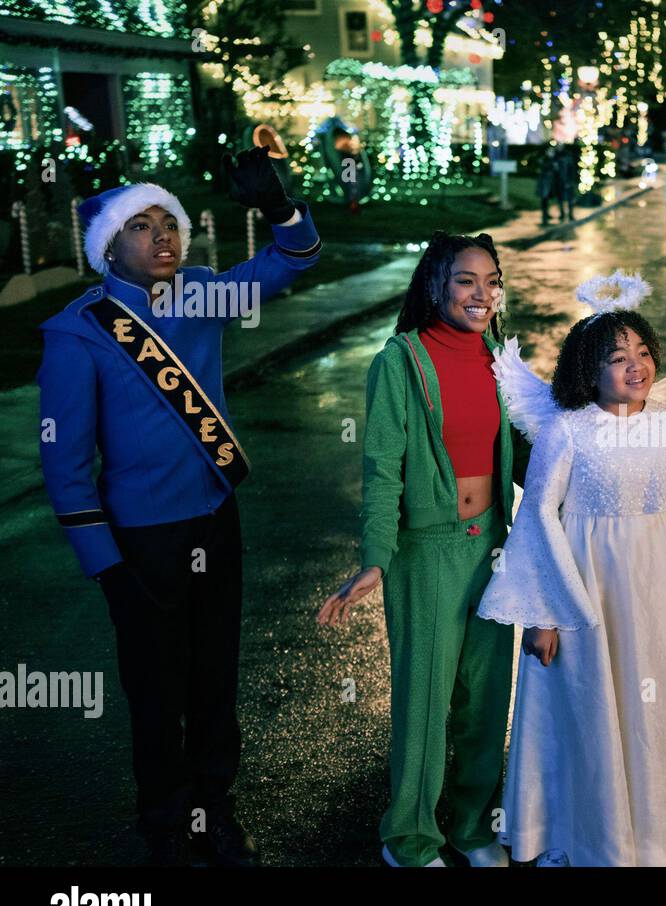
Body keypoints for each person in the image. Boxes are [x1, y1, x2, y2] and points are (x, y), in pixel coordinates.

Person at [36, 146, 321, 865]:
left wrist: (279, 206)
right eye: (142, 226)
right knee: (158, 691)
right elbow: (66, 468)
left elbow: (294, 260)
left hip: (215, 525)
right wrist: (107, 568)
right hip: (140, 542)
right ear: (110, 248)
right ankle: (163, 821)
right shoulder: (78, 332)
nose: (163, 236)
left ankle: (212, 812)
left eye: (171, 223)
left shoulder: (199, 294)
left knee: (215, 678)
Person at [477, 279, 666, 867]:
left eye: (641, 353)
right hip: (584, 593)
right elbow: (536, 514)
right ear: (590, 370)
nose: (634, 366)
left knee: (652, 713)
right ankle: (586, 835)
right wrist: (544, 612)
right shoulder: (567, 430)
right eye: (617, 357)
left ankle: (655, 836)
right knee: (588, 708)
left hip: (655, 591)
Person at [316, 232, 531, 868]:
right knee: (427, 701)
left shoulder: (498, 356)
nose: (482, 293)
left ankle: (470, 825)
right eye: (466, 280)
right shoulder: (400, 361)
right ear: (436, 285)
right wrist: (375, 558)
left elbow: (522, 451)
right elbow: (383, 465)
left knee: (486, 700)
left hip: (492, 544)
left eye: (491, 281)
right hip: (427, 551)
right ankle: (408, 840)